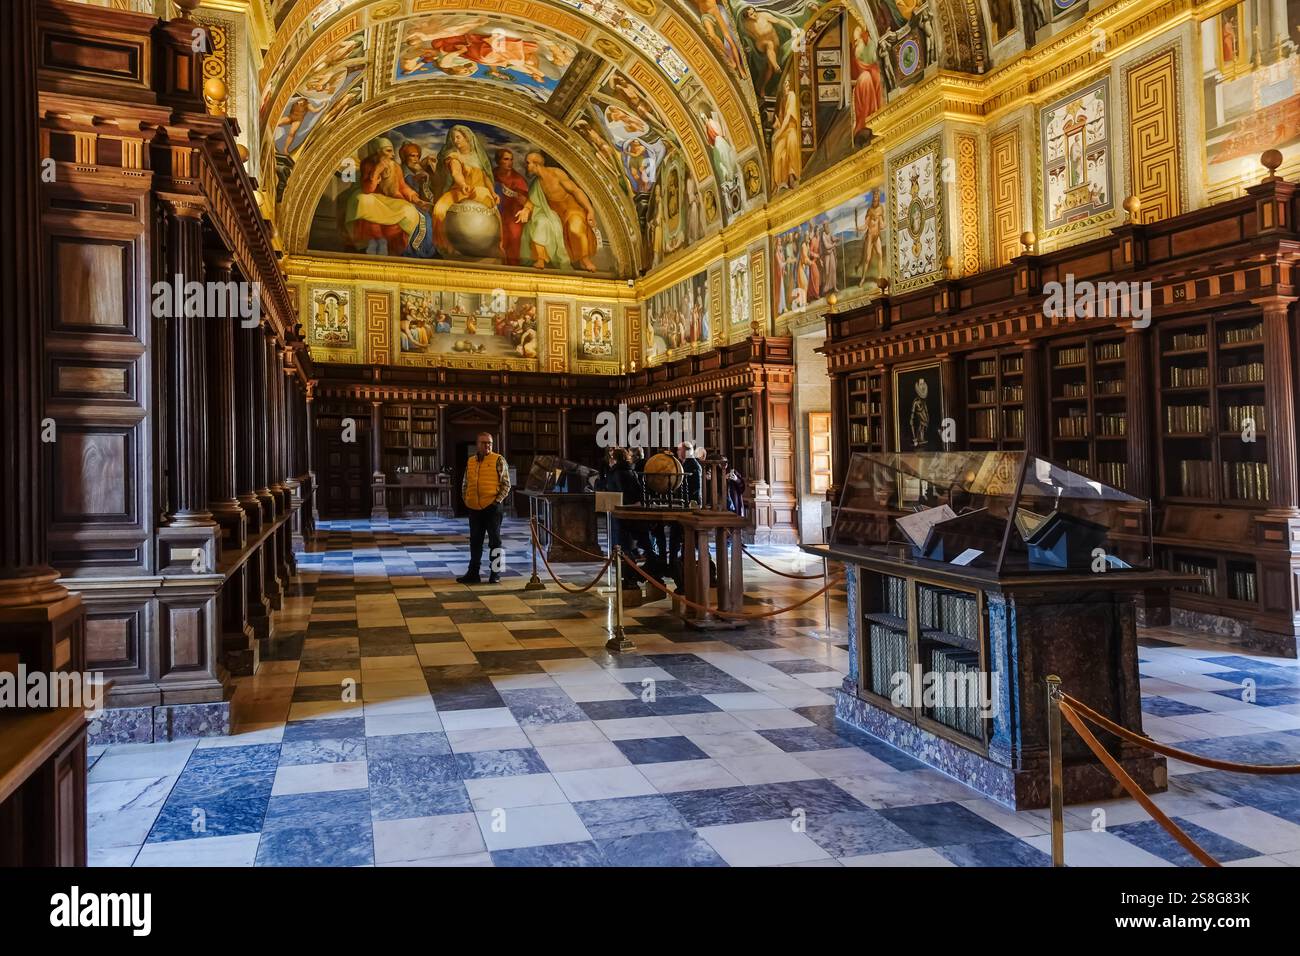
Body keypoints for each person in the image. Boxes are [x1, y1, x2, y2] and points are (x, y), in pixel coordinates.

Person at [458, 431, 511, 584]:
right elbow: (465, 483)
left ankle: (496, 573)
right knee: (475, 541)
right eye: (484, 442)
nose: (487, 445)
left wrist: (497, 501)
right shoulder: (471, 461)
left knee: (495, 541)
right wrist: (467, 499)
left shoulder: (498, 460)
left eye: (490, 443)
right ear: (477, 444)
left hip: (492, 507)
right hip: (474, 507)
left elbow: (506, 484)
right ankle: (473, 573)